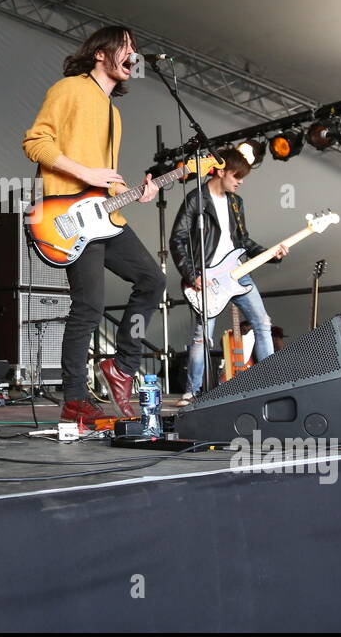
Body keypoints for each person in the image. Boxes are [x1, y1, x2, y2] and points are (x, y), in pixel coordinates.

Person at [23, 26, 165, 423]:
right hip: (69, 217)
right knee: (88, 306)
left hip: (106, 216)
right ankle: (74, 400)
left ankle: (122, 366)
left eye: (136, 49)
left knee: (153, 280)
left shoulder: (114, 113)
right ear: (101, 52)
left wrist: (137, 190)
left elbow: (107, 176)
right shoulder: (69, 89)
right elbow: (36, 142)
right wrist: (84, 173)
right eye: (126, 47)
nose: (132, 55)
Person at [169, 147, 287, 404]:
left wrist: (270, 254)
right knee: (202, 337)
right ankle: (192, 391)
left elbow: (243, 240)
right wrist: (192, 274)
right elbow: (177, 240)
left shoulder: (236, 202)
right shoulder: (195, 199)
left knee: (263, 323)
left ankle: (270, 383)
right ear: (220, 171)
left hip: (238, 272)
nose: (240, 181)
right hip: (207, 275)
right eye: (236, 175)